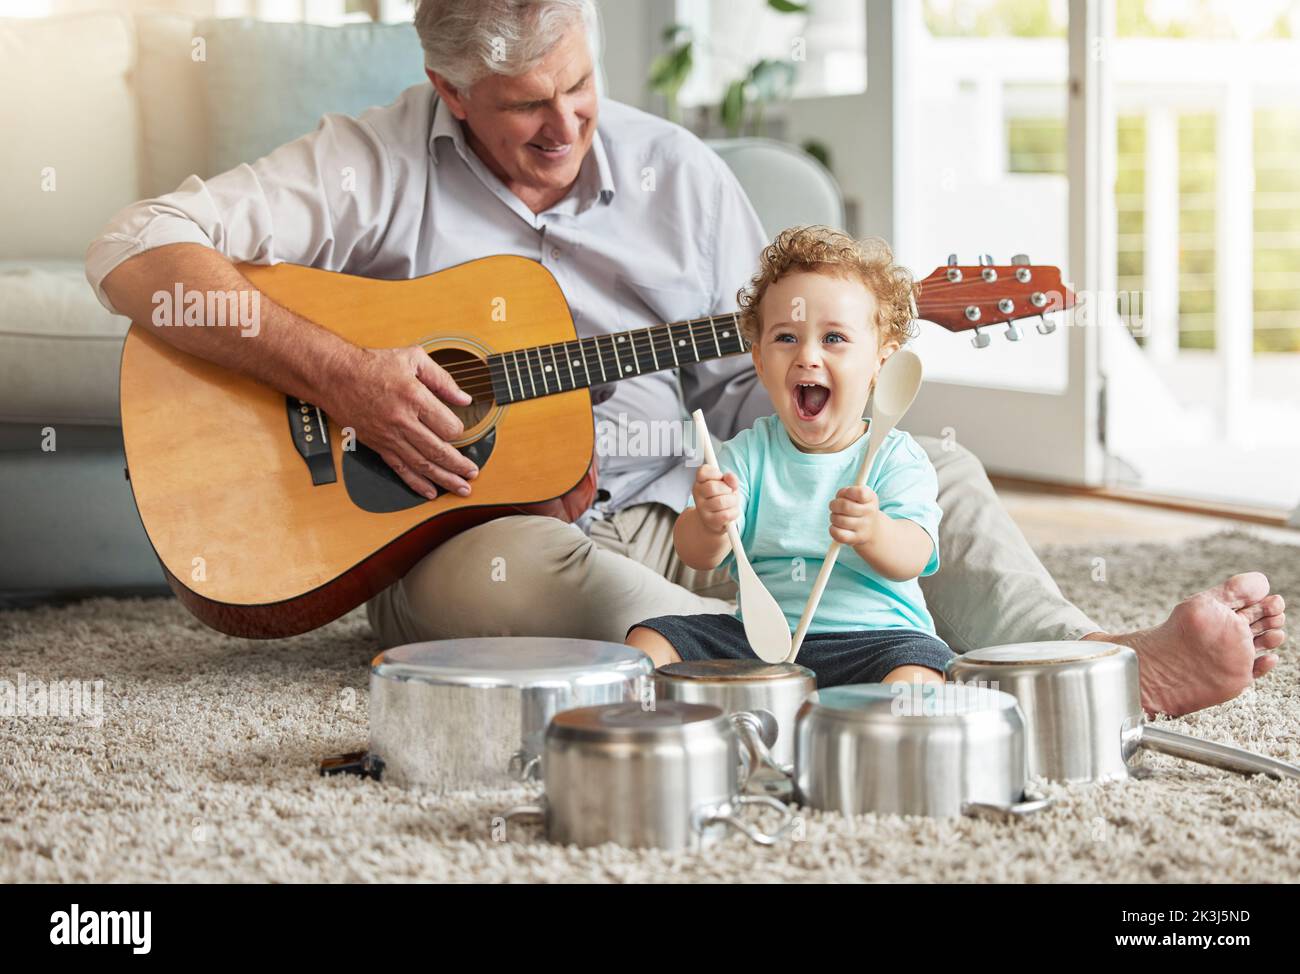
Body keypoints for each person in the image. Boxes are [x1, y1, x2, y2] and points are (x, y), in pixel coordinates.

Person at [86, 0, 1284, 718]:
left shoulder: (676, 176)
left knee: (936, 470)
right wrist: (343, 375)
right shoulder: (372, 161)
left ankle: (1085, 668)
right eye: (521, 109)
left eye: (581, 88)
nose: (564, 126)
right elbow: (138, 248)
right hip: (477, 541)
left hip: (704, 509)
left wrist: (826, 405)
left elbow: (759, 388)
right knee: (586, 584)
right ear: (446, 92)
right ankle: (876, 692)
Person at [629, 227, 955, 688]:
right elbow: (698, 555)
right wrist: (707, 521)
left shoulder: (896, 457)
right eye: (786, 338)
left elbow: (913, 556)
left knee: (920, 674)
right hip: (761, 642)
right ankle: (674, 743)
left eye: (834, 339)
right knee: (650, 640)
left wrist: (874, 531)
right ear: (760, 362)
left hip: (877, 641)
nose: (807, 357)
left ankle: (874, 743)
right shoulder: (744, 454)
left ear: (882, 363)